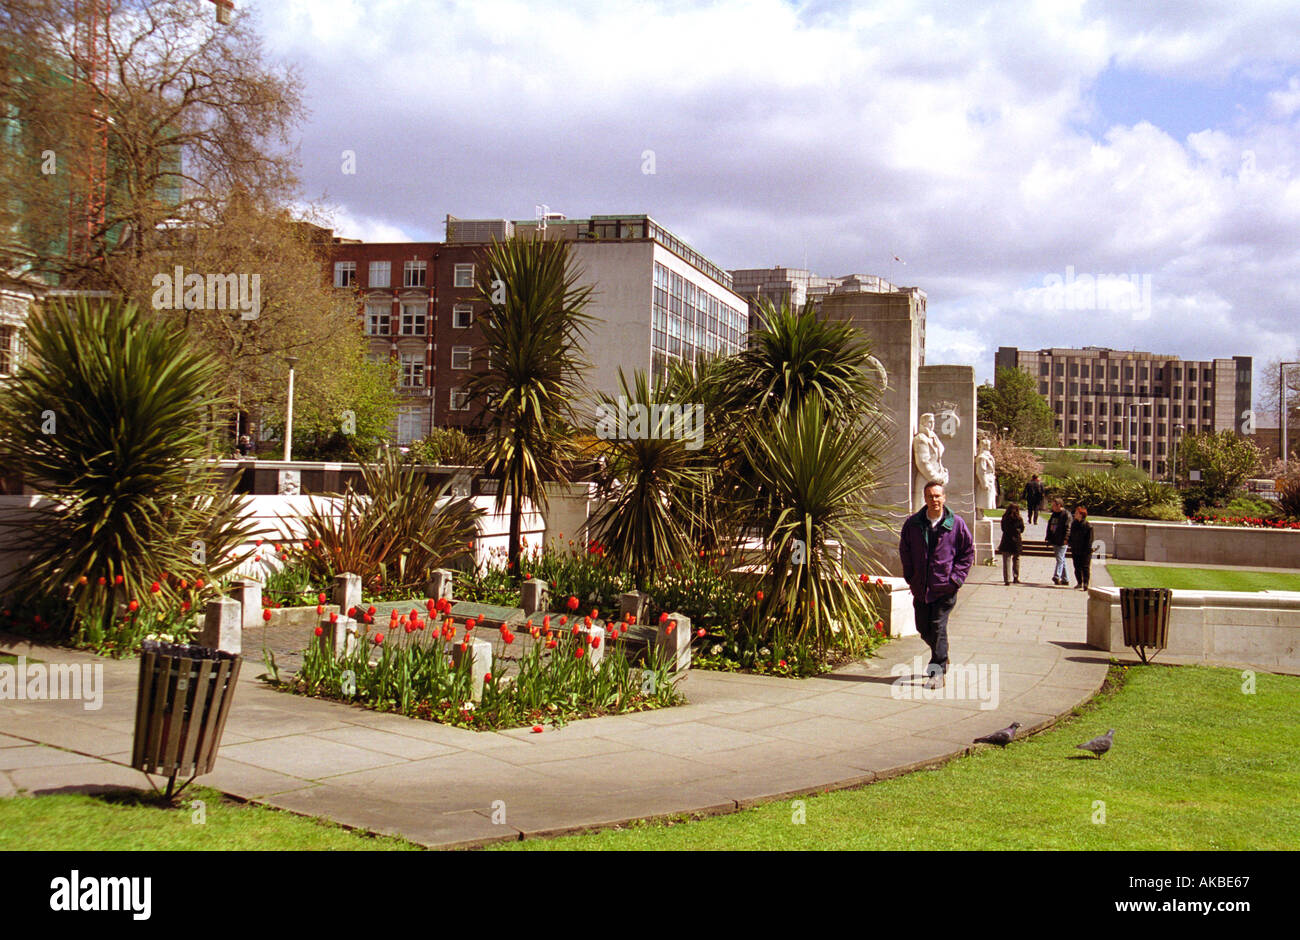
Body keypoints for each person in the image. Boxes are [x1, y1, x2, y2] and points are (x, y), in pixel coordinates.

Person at [899, 480, 975, 689]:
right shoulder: (913, 523)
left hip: (944, 587)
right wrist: (910, 576)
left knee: (938, 626)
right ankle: (942, 655)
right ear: (925, 498)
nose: (934, 500)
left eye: (937, 496)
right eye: (930, 496)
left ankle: (937, 670)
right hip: (921, 587)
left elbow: (967, 553)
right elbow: (905, 550)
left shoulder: (956, 524)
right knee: (923, 627)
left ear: (944, 498)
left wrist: (955, 579)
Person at [911, 413, 948, 511]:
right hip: (926, 478)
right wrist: (935, 478)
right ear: (923, 423)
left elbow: (937, 457)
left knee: (936, 509)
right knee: (923, 509)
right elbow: (923, 462)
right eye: (929, 422)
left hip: (937, 476)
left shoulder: (933, 437)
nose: (932, 424)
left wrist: (942, 472)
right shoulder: (921, 438)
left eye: (933, 422)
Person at [1068, 505, 1095, 591]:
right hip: (1075, 549)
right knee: (1077, 567)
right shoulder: (1074, 524)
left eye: (1076, 513)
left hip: (1085, 551)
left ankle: (1086, 583)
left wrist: (1087, 550)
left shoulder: (1088, 526)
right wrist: (1070, 543)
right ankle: (1079, 582)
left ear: (1081, 515)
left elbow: (1089, 540)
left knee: (1085, 567)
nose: (1074, 514)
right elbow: (1071, 535)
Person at [1045, 497, 1071, 585]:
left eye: (1053, 505)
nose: (1052, 507)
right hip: (1055, 539)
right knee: (1061, 559)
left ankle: (1057, 576)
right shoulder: (1054, 514)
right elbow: (1050, 526)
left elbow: (1068, 528)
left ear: (1059, 505)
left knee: (1060, 558)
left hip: (1062, 540)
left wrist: (1066, 539)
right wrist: (1048, 537)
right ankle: (1065, 579)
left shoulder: (1066, 515)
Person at [997, 502, 1024, 585]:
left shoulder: (1005, 517)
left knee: (1007, 561)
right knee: (1016, 559)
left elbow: (1003, 528)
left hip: (1006, 540)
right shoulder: (1019, 519)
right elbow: (1022, 529)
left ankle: (1007, 579)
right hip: (1016, 541)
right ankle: (1015, 577)